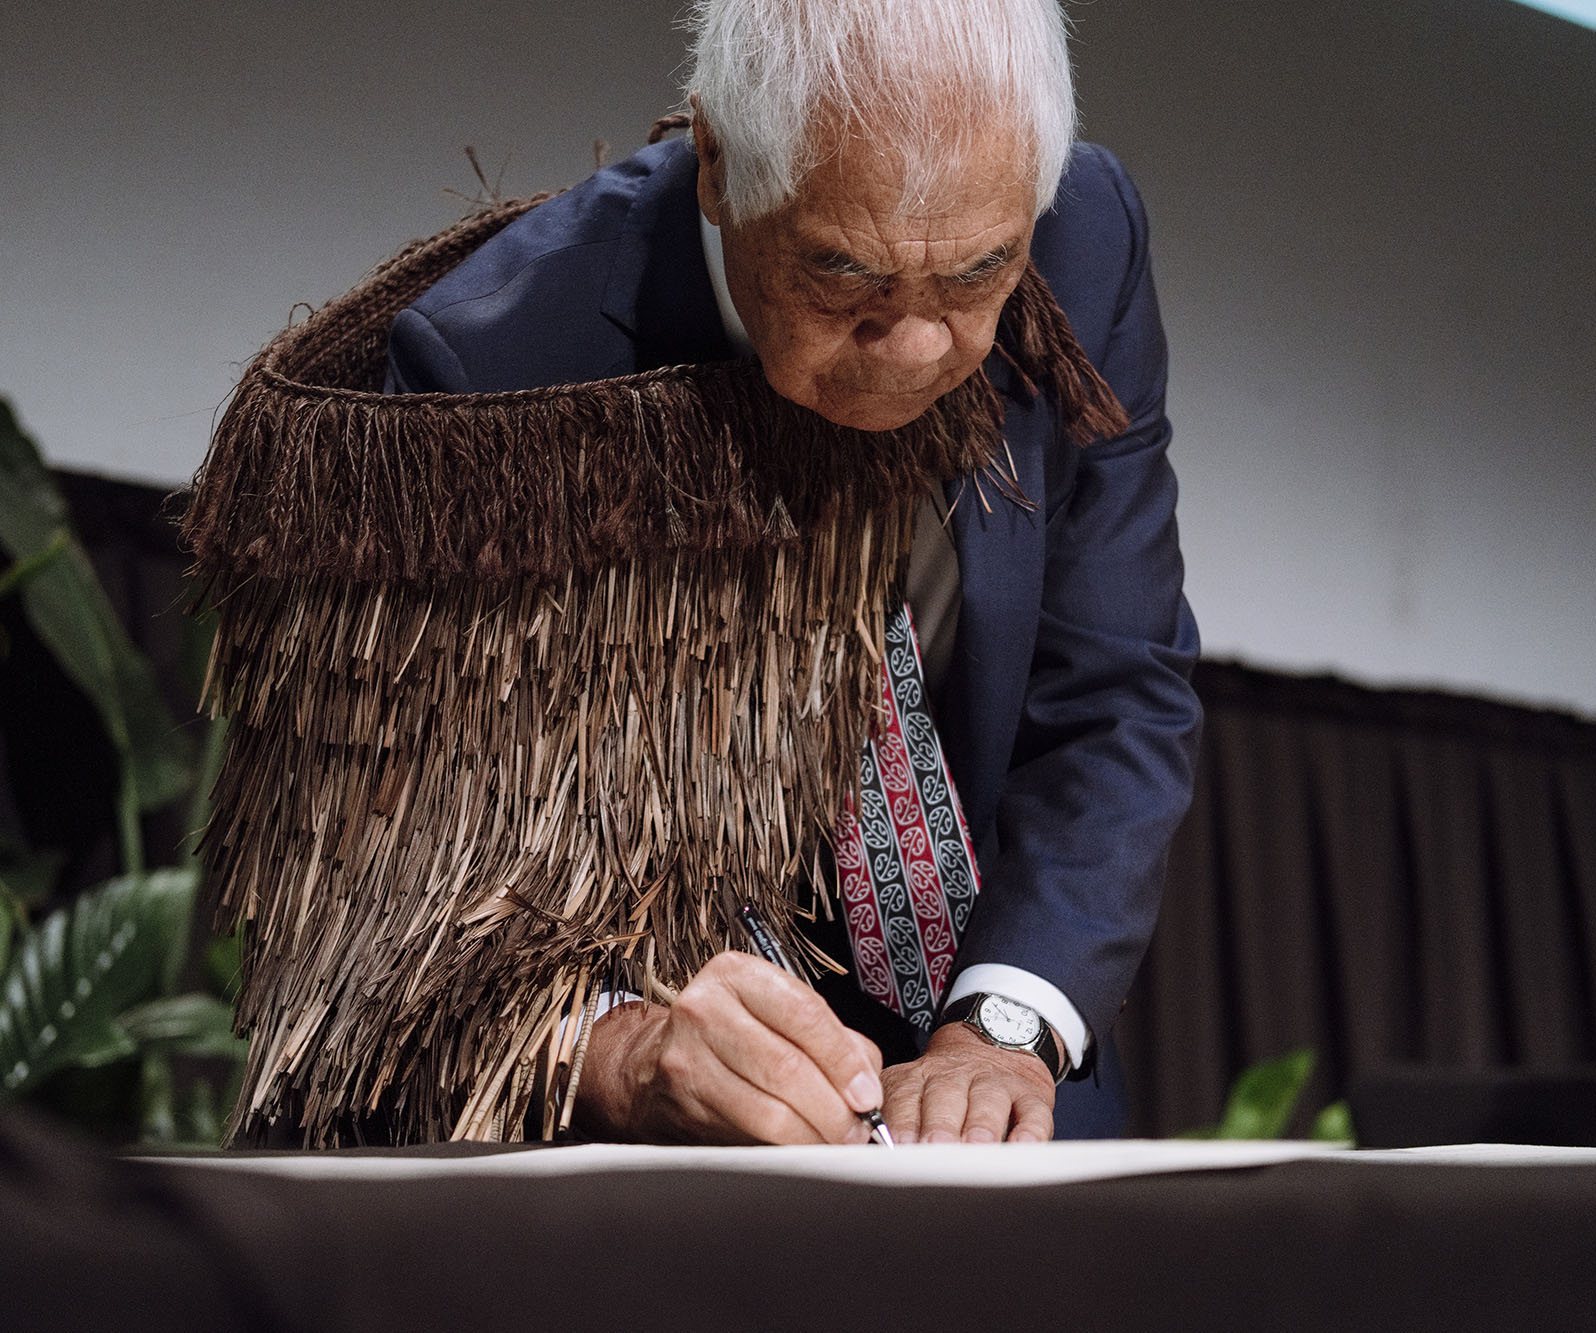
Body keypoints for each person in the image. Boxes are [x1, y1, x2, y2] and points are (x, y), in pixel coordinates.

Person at [374, 0, 1201, 1146]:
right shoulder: (490, 363)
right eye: (842, 276)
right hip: (645, 1140)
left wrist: (998, 1030)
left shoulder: (1085, 234)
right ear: (715, 163)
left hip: (1002, 1067)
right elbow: (405, 880)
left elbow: (1116, 689)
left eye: (975, 275)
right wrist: (614, 1051)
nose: (916, 347)